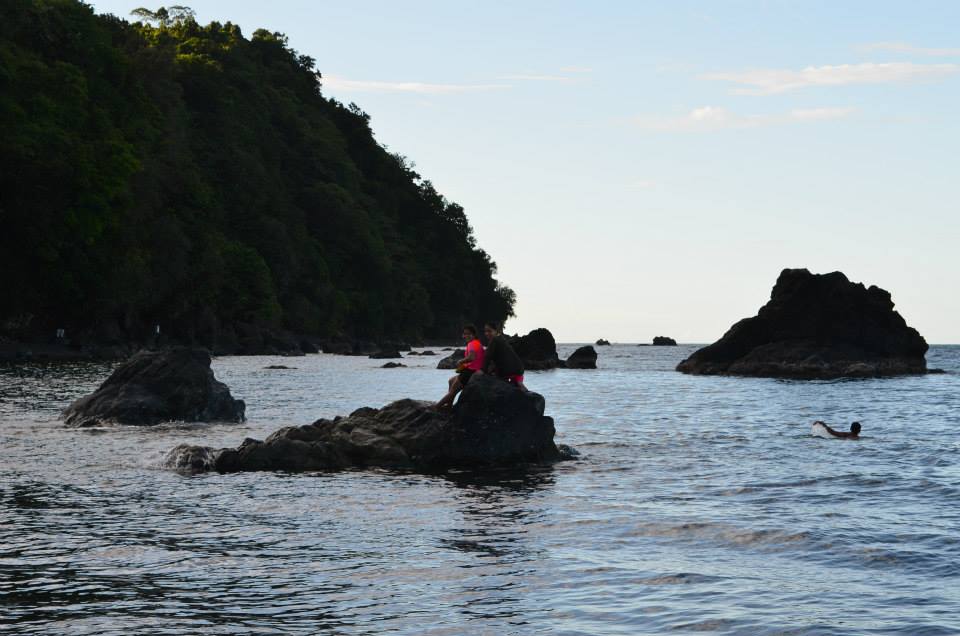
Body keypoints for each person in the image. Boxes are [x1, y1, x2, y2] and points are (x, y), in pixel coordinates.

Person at [436, 325, 485, 408]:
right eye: (465, 334)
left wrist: (460, 361)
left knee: (453, 391)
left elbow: (471, 357)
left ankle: (436, 407)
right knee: (451, 381)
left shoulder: (472, 344)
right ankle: (449, 405)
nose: (466, 336)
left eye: (469, 334)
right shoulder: (477, 343)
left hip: (470, 372)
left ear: (474, 335)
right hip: (472, 370)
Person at [482, 321, 527, 391]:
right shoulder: (502, 339)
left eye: (489, 331)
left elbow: (487, 357)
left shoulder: (494, 340)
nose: (487, 333)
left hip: (508, 372)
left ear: (496, 331)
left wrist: (483, 372)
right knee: (518, 385)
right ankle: (524, 390)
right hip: (519, 369)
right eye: (485, 331)